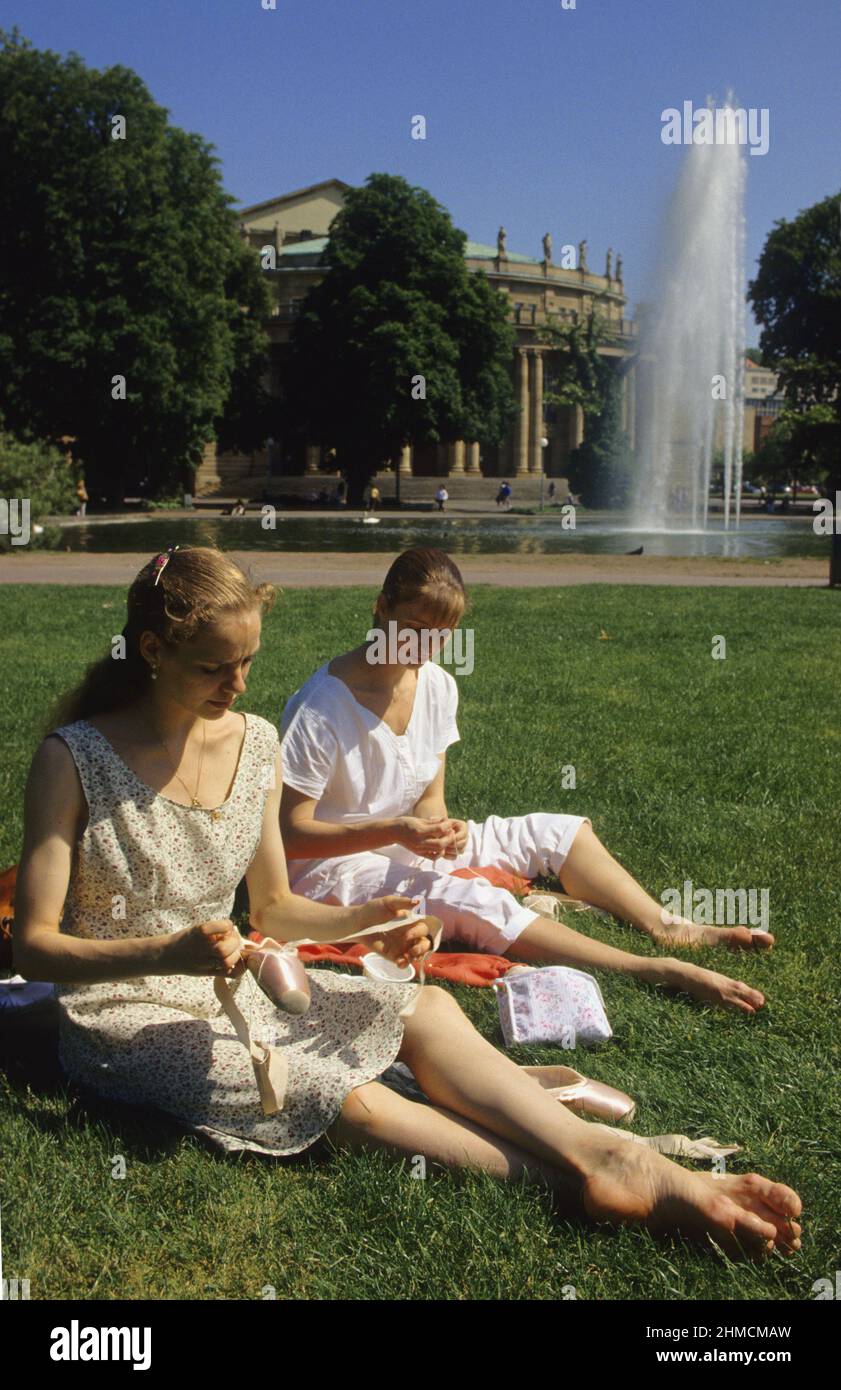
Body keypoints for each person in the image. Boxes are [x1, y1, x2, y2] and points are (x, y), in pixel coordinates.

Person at [11, 544, 801, 1254]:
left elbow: (277, 910)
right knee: (339, 1095)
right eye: (216, 667)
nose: (240, 684)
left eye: (249, 661)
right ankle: (579, 1176)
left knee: (424, 1011)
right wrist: (165, 951)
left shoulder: (253, 742)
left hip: (236, 978)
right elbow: (34, 947)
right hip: (123, 1010)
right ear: (152, 649)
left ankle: (612, 1157)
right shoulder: (73, 759)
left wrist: (372, 924)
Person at [279, 548, 774, 1020]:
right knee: (475, 900)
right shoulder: (321, 707)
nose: (424, 648)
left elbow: (430, 797)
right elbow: (289, 834)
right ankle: (652, 969)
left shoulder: (436, 685)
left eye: (441, 636)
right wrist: (397, 832)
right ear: (380, 607)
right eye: (414, 629)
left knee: (560, 831)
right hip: (330, 872)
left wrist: (439, 831)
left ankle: (667, 927)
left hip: (403, 841)